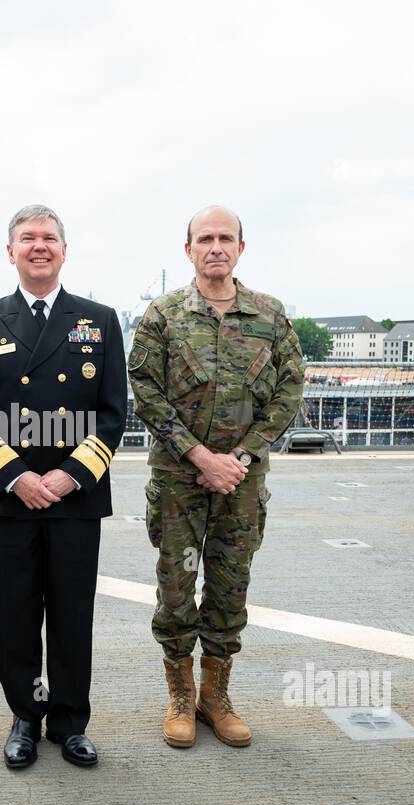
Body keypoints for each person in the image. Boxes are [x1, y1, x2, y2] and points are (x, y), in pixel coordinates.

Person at [128, 205, 305, 749]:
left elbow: (288, 392)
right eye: (205, 238)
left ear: (241, 248)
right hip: (180, 481)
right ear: (188, 251)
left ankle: (215, 697)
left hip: (242, 485)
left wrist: (241, 458)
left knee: (230, 588)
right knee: (176, 590)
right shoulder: (163, 316)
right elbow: (146, 392)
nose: (215, 247)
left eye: (225, 238)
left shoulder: (271, 317)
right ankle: (180, 696)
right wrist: (200, 456)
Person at [0, 204, 126, 769]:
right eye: (27, 238)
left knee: (73, 613)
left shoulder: (99, 320)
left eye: (49, 238)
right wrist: (16, 477)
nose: (39, 246)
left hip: (75, 497)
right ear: (11, 252)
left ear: (63, 250)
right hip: (9, 498)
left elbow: (112, 414)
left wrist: (68, 474)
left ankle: (71, 723)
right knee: (15, 612)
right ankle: (26, 718)